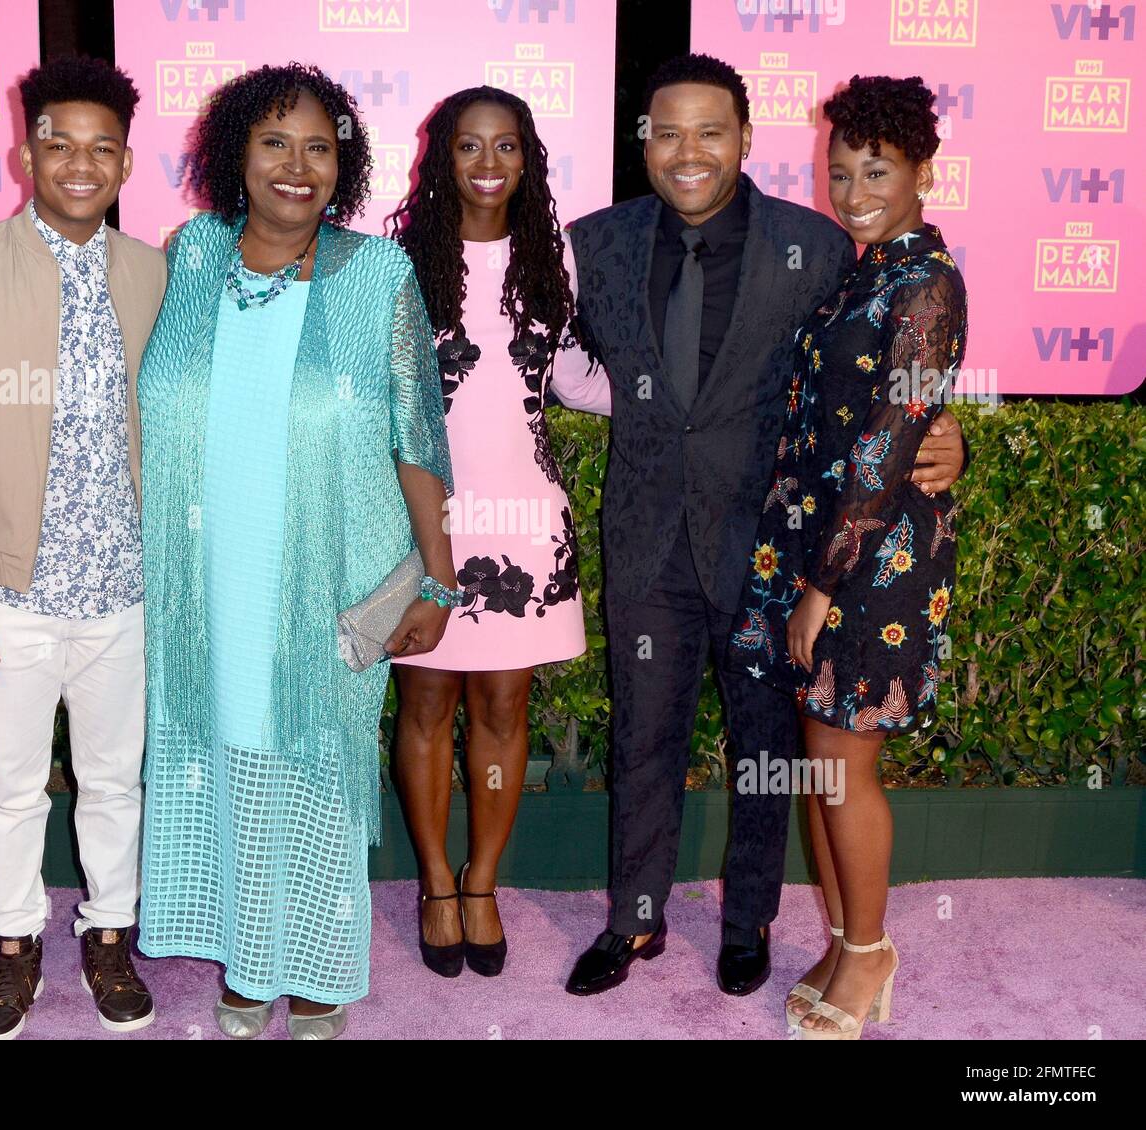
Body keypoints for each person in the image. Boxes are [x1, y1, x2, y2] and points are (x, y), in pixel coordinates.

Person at [564, 54, 969, 998]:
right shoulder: (596, 244)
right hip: (648, 533)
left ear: (746, 139)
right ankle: (635, 919)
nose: (688, 151)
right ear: (644, 143)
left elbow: (885, 397)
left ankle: (748, 920)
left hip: (774, 544)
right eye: (667, 133)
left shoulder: (818, 249)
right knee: (643, 734)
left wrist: (949, 442)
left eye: (711, 131)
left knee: (768, 750)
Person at [135, 63, 456, 1041]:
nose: (297, 164)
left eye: (320, 146)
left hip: (327, 579)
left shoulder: (376, 276)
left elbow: (417, 434)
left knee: (313, 770)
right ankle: (246, 963)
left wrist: (438, 574)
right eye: (275, 141)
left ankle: (315, 980)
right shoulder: (192, 254)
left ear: (342, 165)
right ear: (236, 151)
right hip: (202, 579)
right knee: (228, 761)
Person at [0, 55, 166, 1039]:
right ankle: (15, 945)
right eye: (62, 145)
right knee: (8, 785)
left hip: (128, 592)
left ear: (126, 162)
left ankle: (108, 934)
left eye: (103, 148)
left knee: (114, 781)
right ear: (26, 154)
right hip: (5, 590)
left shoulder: (153, 275)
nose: (81, 164)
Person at [727, 74, 967, 1039]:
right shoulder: (862, 270)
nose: (855, 187)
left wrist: (822, 587)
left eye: (878, 169)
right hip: (819, 543)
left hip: (872, 564)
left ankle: (870, 955)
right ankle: (839, 935)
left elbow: (885, 445)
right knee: (821, 765)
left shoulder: (926, 282)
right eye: (842, 170)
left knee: (842, 764)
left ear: (921, 170)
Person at [387, 87, 610, 978]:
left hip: (523, 517)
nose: (488, 163)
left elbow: (581, 380)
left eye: (506, 146)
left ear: (528, 160)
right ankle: (436, 882)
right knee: (426, 704)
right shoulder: (396, 262)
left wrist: (694, 394)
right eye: (470, 146)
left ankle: (483, 882)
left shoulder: (553, 261)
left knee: (505, 707)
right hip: (423, 514)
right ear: (442, 156)